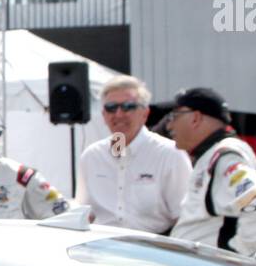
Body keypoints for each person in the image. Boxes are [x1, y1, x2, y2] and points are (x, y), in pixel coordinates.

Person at [166, 87, 256, 256]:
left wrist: (235, 256)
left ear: (196, 118)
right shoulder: (213, 155)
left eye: (175, 116)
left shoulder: (224, 157)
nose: (169, 125)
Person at [77, 74, 190, 233]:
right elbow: (84, 213)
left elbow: (184, 217)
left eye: (128, 106)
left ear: (145, 113)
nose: (119, 114)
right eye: (111, 108)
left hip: (153, 249)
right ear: (103, 115)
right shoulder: (92, 156)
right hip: (102, 249)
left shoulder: (170, 154)